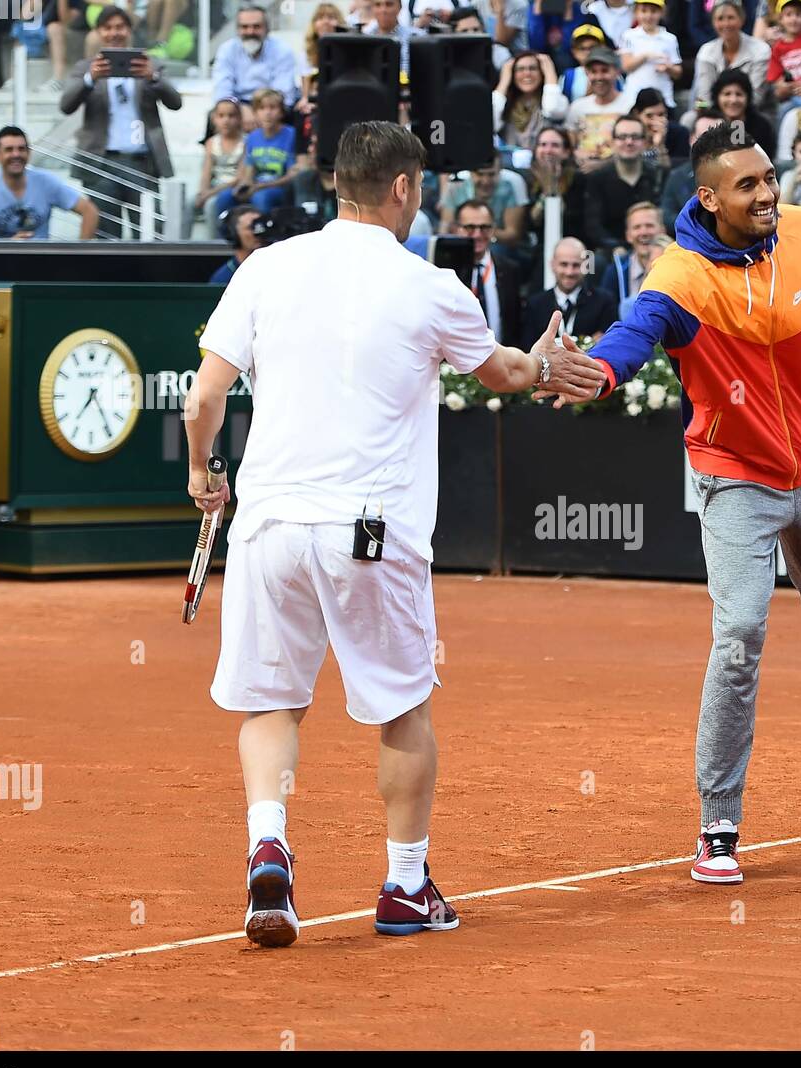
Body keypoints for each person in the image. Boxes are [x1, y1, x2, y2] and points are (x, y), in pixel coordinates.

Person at [185, 120, 600, 947]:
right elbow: (509, 374)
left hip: (268, 523)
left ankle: (268, 839)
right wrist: (549, 362)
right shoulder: (431, 285)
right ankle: (405, 887)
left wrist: (203, 474)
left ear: (339, 182)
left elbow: (204, 401)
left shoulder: (265, 267)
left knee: (272, 704)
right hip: (371, 530)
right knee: (403, 709)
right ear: (404, 188)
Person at [580, 122, 801, 883]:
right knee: (738, 634)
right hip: (735, 472)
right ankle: (718, 821)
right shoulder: (679, 278)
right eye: (748, 185)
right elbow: (633, 337)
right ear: (709, 198)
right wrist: (597, 373)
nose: (767, 193)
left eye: (769, 178)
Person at [59, 6, 182, 241]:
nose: (114, 33)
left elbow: (175, 102)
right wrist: (90, 80)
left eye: (120, 27)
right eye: (108, 28)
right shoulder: (86, 68)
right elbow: (66, 106)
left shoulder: (149, 64)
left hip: (142, 163)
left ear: (129, 31)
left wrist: (152, 77)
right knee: (106, 236)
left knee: (149, 233)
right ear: (98, 32)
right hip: (101, 162)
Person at [0, 127, 99, 240]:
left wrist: (80, 258)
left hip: (42, 261)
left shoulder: (45, 181)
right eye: (9, 150)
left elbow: (90, 211)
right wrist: (9, 247)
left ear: (29, 153)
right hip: (0, 262)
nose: (16, 154)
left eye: (21, 149)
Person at [584, 115, 666, 253]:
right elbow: (593, 225)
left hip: (654, 248)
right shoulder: (597, 179)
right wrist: (614, 247)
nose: (629, 142)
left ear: (645, 142)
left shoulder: (659, 175)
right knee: (593, 264)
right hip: (610, 251)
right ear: (612, 142)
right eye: (622, 137)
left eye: (635, 137)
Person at [212, 6, 300, 129]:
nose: (250, 32)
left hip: (271, 106)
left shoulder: (282, 51)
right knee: (218, 115)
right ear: (237, 30)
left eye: (256, 26)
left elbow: (284, 93)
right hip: (237, 105)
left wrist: (260, 112)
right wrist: (239, 108)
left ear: (267, 29)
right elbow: (222, 89)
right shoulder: (226, 50)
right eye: (245, 27)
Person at [522, 236, 617, 342]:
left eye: (576, 265)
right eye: (564, 264)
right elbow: (528, 350)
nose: (569, 272)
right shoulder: (535, 305)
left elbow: (610, 345)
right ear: (552, 265)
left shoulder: (604, 302)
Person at [456, 198, 522, 342]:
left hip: (502, 359)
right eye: (470, 228)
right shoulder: (447, 273)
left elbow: (515, 325)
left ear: (492, 229)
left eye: (484, 227)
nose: (477, 234)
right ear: (457, 229)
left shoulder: (509, 270)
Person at [692, 3, 773, 114]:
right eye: (720, 19)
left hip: (752, 112)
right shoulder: (706, 51)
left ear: (741, 20)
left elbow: (756, 98)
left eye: (731, 18)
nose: (726, 24)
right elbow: (704, 97)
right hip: (714, 112)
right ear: (713, 23)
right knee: (689, 119)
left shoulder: (761, 50)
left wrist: (732, 112)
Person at [565, 46, 635, 168]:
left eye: (604, 71)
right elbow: (571, 146)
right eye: (593, 72)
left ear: (617, 72)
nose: (599, 77)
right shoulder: (577, 107)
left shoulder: (630, 104)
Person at [440, 156, 530, 249]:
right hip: (463, 242)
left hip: (500, 245)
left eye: (491, 174)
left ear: (500, 171)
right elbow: (446, 227)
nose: (485, 181)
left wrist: (478, 232)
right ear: (470, 172)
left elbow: (512, 234)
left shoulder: (513, 183)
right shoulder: (456, 183)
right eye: (480, 174)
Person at [232, 89, 299, 213]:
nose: (267, 113)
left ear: (281, 112)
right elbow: (249, 171)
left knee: (261, 197)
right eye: (262, 108)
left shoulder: (291, 135)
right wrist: (243, 186)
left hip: (281, 188)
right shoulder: (252, 137)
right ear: (255, 113)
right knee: (225, 198)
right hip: (257, 186)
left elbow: (291, 176)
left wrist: (261, 186)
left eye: (273, 108)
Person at [596, 200, 665, 317]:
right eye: (637, 227)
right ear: (628, 235)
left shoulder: (677, 266)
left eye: (649, 226)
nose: (643, 232)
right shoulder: (615, 271)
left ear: (662, 230)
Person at [493, 51, 570, 151]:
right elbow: (490, 123)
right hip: (508, 163)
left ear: (542, 72)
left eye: (533, 68)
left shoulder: (555, 99)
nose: (527, 74)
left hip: (544, 162)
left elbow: (552, 108)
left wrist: (550, 71)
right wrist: (504, 81)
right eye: (520, 69)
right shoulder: (504, 103)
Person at [527, 125, 588, 245]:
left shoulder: (579, 180)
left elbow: (568, 222)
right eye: (543, 145)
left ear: (566, 152)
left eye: (555, 145)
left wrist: (554, 188)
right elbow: (532, 222)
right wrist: (546, 192)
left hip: (573, 243)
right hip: (539, 246)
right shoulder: (527, 179)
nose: (548, 150)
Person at [661, 113, 723, 232]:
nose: (711, 146)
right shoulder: (677, 177)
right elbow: (667, 217)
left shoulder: (739, 175)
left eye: (718, 140)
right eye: (704, 139)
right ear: (691, 140)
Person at [619, 0, 683, 106]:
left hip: (663, 98)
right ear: (636, 12)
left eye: (653, 11)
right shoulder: (628, 36)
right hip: (633, 98)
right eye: (644, 11)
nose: (648, 16)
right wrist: (646, 56)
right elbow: (626, 66)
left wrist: (668, 68)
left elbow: (678, 72)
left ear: (662, 13)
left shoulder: (670, 39)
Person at [196, 100, 247, 226]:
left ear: (239, 118)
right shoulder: (211, 143)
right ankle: (182, 243)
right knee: (188, 203)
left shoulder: (246, 142)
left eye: (231, 116)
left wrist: (209, 194)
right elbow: (206, 173)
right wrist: (202, 192)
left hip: (233, 189)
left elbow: (239, 178)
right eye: (221, 116)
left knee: (211, 205)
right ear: (214, 119)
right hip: (214, 186)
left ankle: (214, 244)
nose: (226, 120)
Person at [711, 69, 777, 157]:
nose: (733, 100)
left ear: (748, 97)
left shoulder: (761, 126)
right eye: (727, 94)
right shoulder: (707, 123)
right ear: (717, 97)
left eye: (739, 94)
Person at [298, 3, 347, 114]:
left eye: (331, 18)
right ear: (314, 24)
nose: (325, 22)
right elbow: (306, 86)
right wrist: (306, 100)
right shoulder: (307, 52)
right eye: (320, 18)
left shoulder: (347, 49)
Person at [633, 88, 690, 170]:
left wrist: (660, 146)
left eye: (661, 115)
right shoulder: (629, 135)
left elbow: (680, 172)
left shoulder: (680, 134)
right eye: (649, 116)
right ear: (637, 114)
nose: (656, 121)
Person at [210, 205, 263, 284]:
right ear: (233, 235)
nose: (259, 232)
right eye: (251, 227)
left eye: (262, 227)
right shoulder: (223, 279)